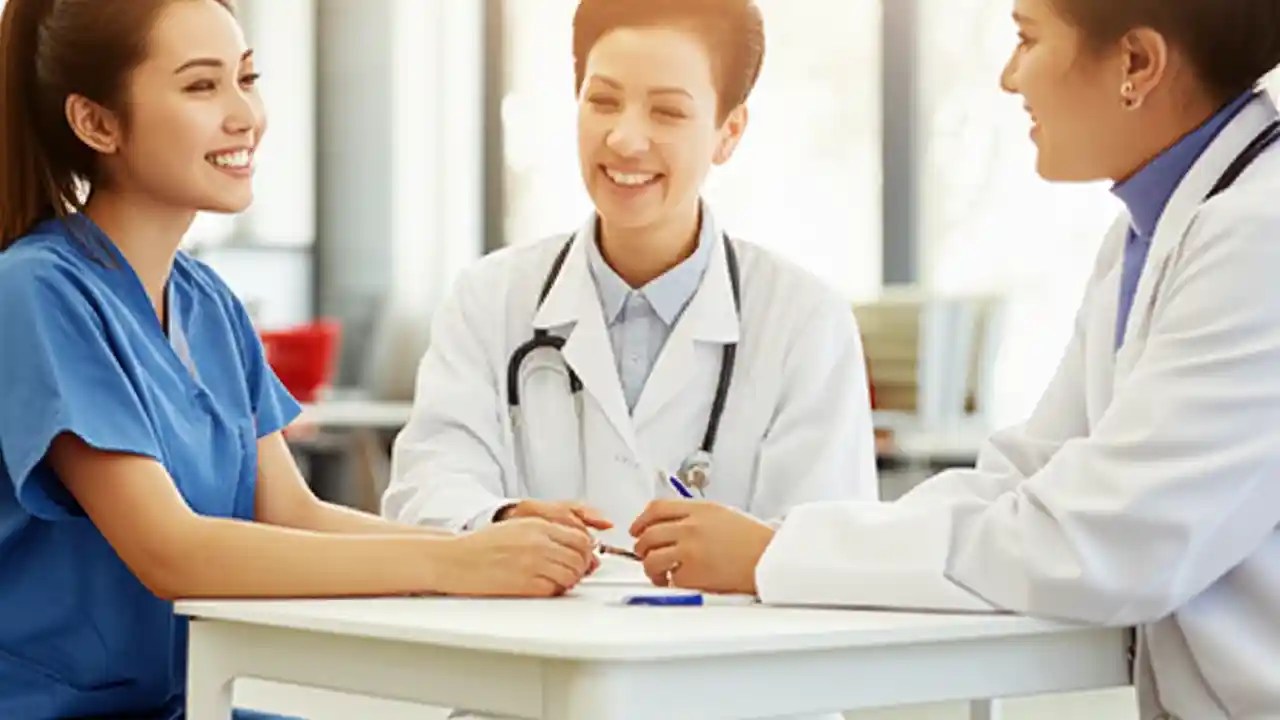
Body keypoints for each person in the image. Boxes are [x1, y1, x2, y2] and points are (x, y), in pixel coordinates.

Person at [630, 0, 1280, 717]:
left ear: (1136, 64)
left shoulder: (1258, 237)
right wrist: (780, 545)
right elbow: (1023, 479)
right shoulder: (1154, 235)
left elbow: (1105, 540)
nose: (1009, 78)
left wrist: (770, 558)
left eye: (1026, 40)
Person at [0, 1, 595, 718]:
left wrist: (486, 541)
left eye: (246, 78)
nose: (244, 113)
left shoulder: (208, 304)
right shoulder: (36, 292)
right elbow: (171, 552)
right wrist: (456, 565)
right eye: (200, 86)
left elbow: (292, 513)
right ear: (96, 122)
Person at [383, 0, 877, 549]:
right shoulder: (489, 299)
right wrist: (497, 525)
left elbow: (831, 544)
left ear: (728, 132)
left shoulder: (805, 320)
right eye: (603, 101)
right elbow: (423, 493)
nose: (624, 138)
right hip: (528, 632)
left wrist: (751, 555)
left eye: (666, 112)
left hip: (728, 636)